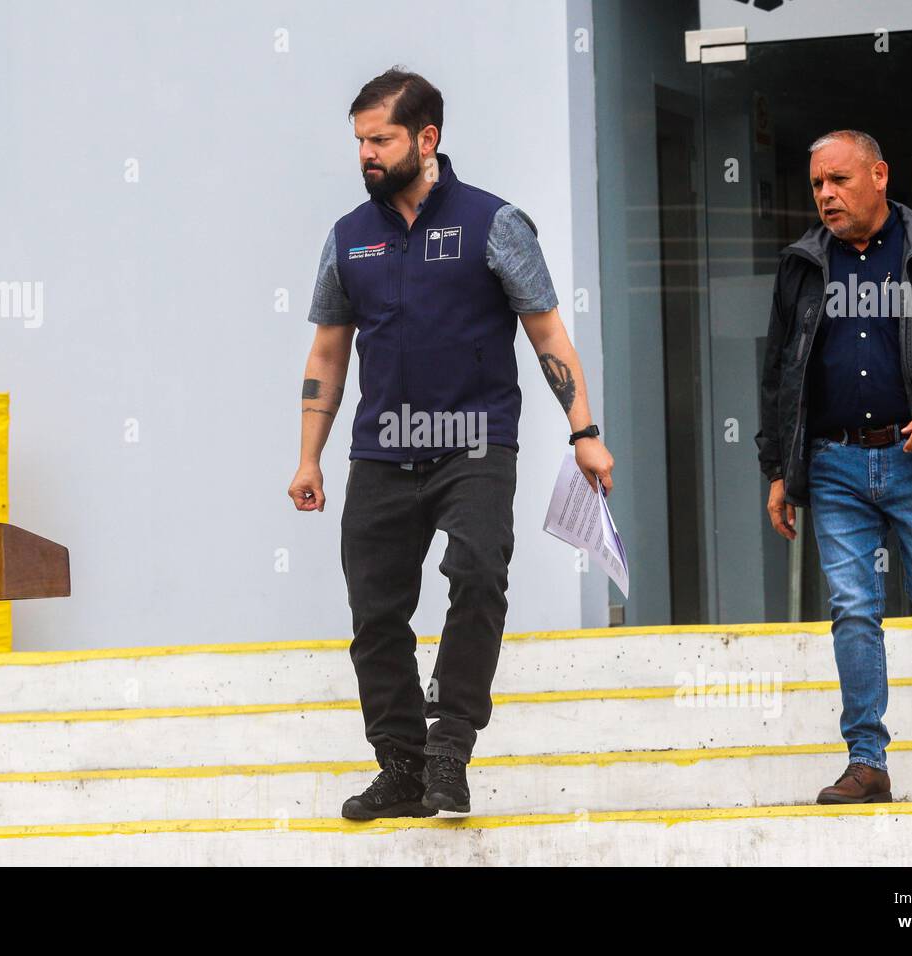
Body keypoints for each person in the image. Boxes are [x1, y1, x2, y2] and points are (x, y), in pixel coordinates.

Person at [289, 67, 613, 819]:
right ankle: (401, 766)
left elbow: (547, 334)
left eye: (382, 139)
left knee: (476, 573)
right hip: (380, 450)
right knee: (375, 616)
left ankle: (450, 742)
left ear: (427, 138)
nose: (367, 154)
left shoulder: (495, 223)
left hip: (476, 443)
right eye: (360, 141)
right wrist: (308, 454)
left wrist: (584, 432)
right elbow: (327, 354)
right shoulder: (348, 238)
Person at [756, 129, 912, 804]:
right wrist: (778, 470)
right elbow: (780, 372)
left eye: (838, 180)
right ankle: (867, 760)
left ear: (879, 176)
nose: (826, 196)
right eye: (817, 184)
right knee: (852, 607)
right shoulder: (804, 265)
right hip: (834, 462)